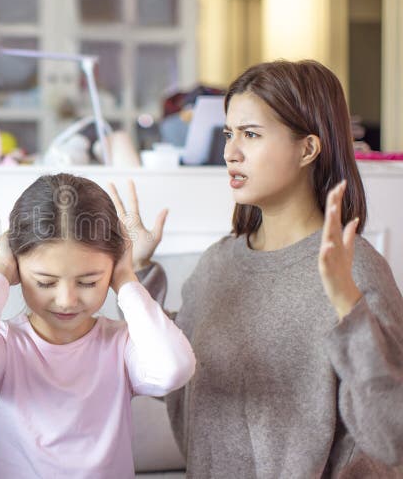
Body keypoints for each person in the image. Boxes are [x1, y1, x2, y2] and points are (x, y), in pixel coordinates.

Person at [110, 60, 403, 477]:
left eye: (250, 134)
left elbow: (390, 437)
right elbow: (173, 375)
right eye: (229, 134)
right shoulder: (219, 263)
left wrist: (348, 305)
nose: (230, 152)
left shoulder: (357, 271)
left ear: (307, 148)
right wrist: (137, 274)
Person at [0, 173, 196, 477]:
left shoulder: (122, 346)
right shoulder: (6, 345)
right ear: (19, 267)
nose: (67, 300)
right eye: (45, 282)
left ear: (112, 269)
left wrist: (127, 279)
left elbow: (175, 368)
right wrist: (0, 269)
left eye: (88, 282)